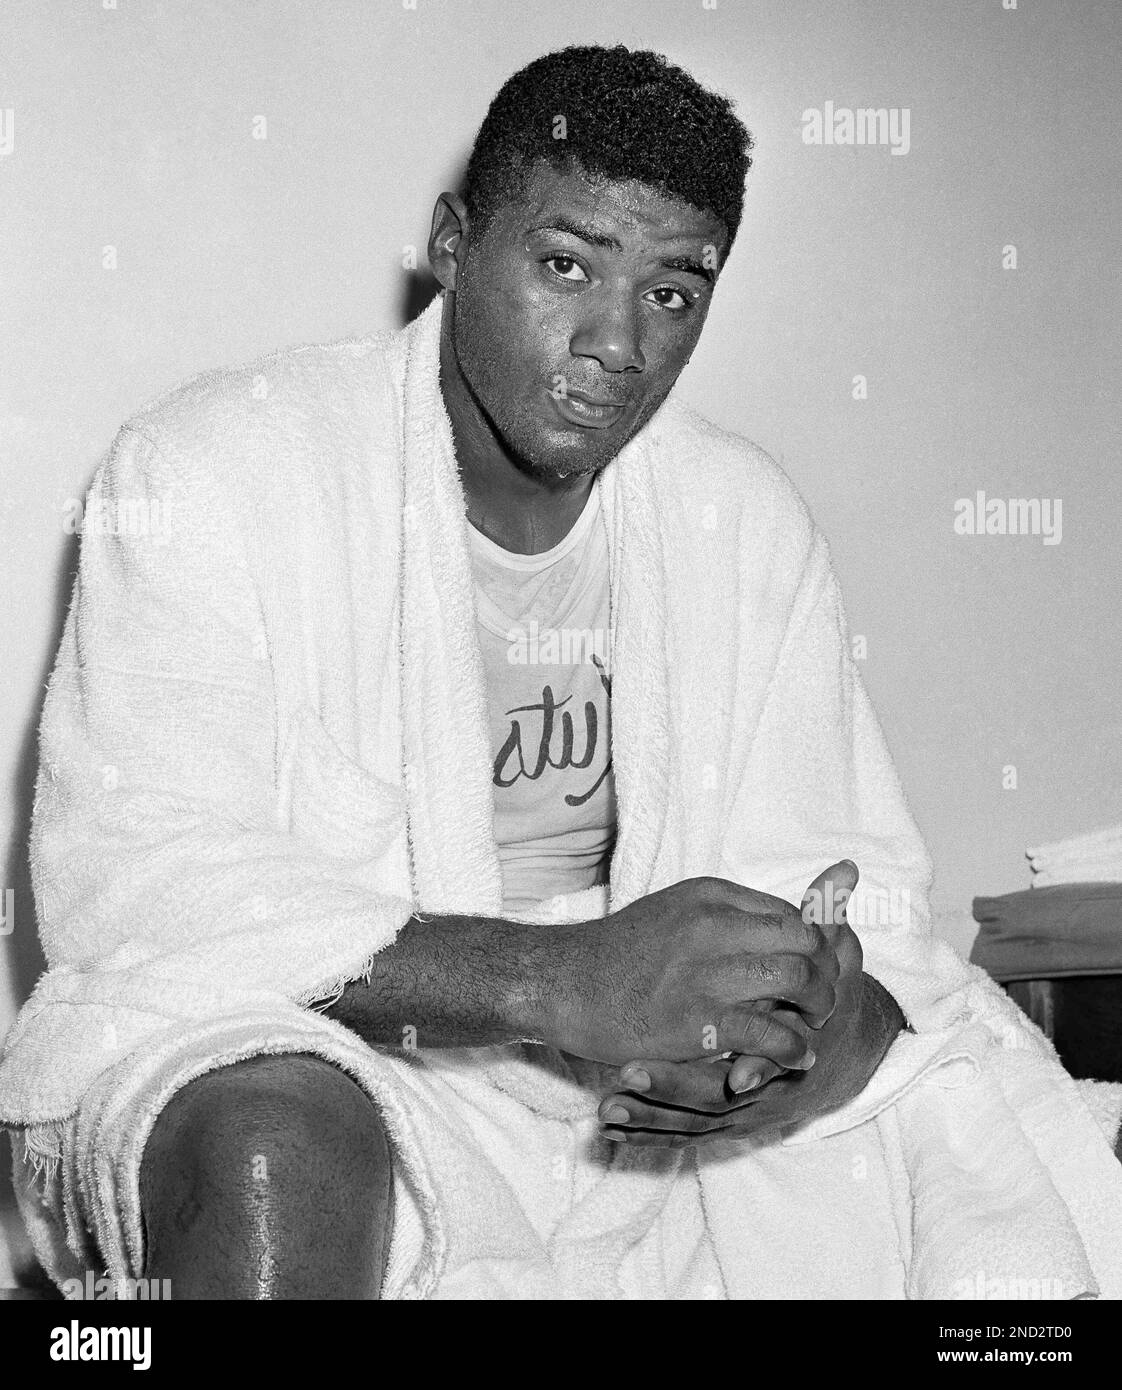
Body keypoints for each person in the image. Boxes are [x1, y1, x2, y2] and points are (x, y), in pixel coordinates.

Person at [3, 44, 1120, 1301]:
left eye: (674, 292)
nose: (616, 344)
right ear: (452, 242)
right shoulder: (217, 468)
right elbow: (136, 886)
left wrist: (792, 1020)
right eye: (568, 264)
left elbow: (843, 877)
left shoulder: (736, 516)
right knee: (279, 1140)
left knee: (964, 1150)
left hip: (641, 1097)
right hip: (333, 1048)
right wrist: (562, 980)